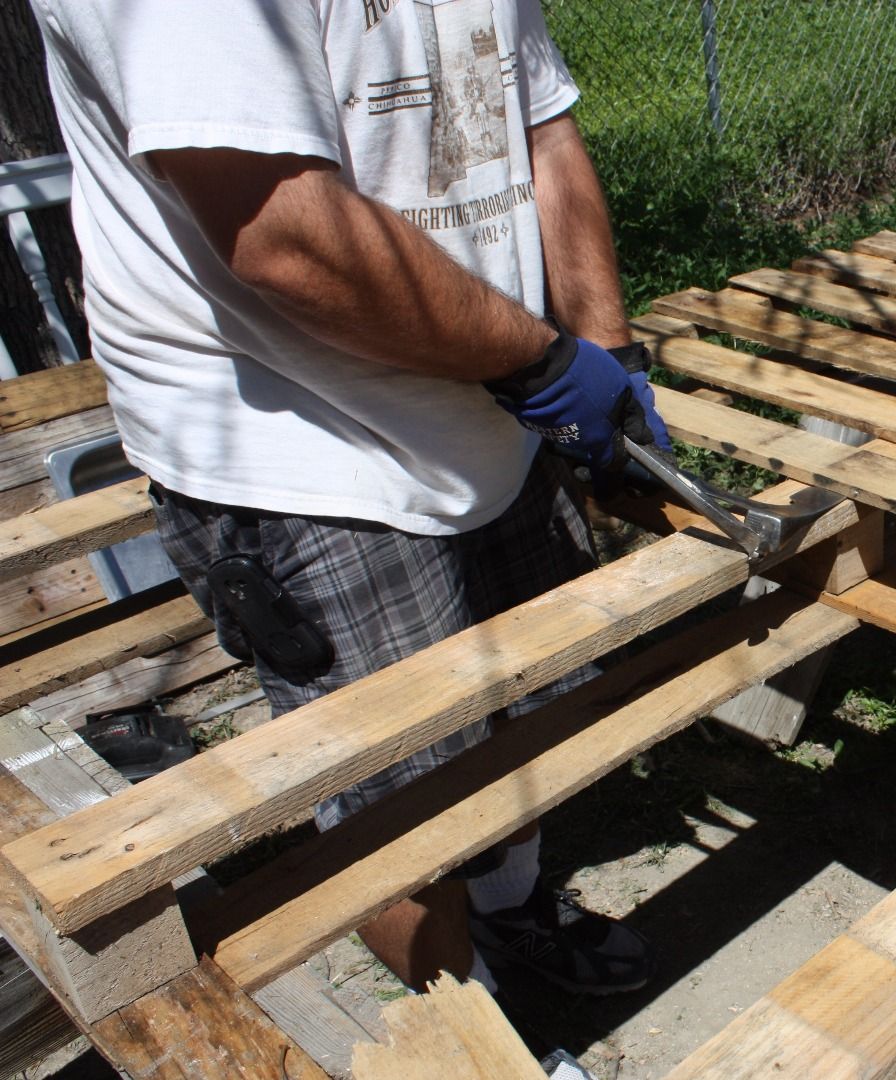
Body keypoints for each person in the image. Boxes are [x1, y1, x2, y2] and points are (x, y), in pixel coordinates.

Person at [28, 0, 663, 1020]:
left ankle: (510, 914)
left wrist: (607, 353)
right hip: (300, 450)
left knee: (526, 717)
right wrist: (544, 362)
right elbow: (282, 231)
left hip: (488, 401)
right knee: (400, 811)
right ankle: (470, 1030)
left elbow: (538, 123)